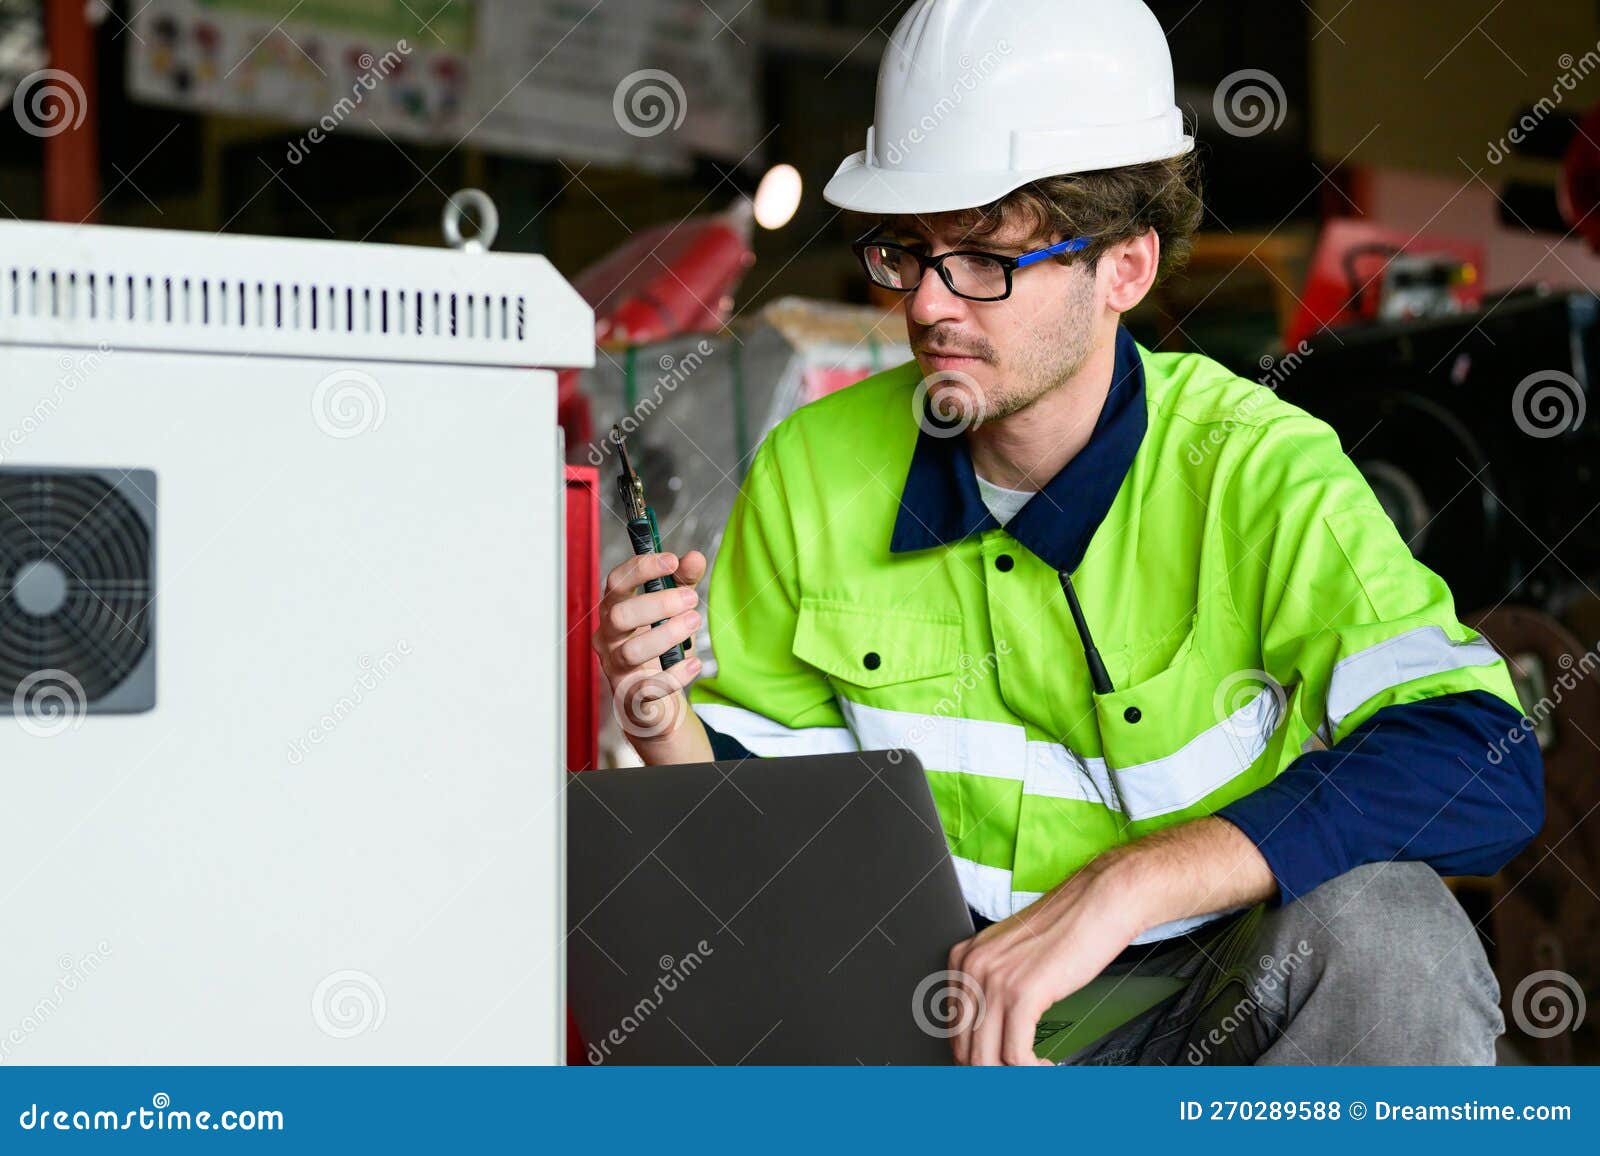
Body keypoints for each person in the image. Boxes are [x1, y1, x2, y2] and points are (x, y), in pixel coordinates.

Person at [592, 0, 1542, 1066]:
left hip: (1197, 1021)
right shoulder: (812, 470)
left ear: (1125, 269)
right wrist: (662, 722)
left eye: (985, 259)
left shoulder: (1256, 470)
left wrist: (1125, 884)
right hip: (929, 1030)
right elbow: (770, 829)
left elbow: (1481, 758)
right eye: (910, 252)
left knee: (1392, 932)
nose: (929, 306)